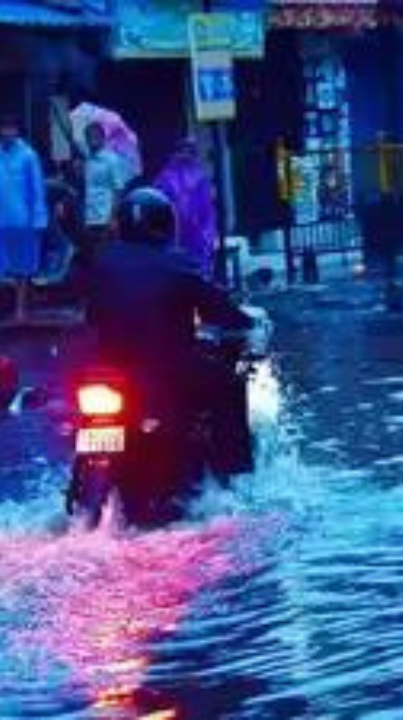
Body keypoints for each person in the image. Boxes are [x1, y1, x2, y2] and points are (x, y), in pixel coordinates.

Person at [86, 187, 253, 503]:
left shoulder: (103, 263)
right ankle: (234, 472)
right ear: (166, 224)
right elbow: (223, 312)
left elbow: (92, 316)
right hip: (168, 369)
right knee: (231, 384)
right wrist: (242, 325)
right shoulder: (179, 262)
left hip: (112, 374)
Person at [0, 114, 47, 323]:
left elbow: (37, 189)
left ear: (17, 131)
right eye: (4, 128)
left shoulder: (28, 155)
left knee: (22, 267)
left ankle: (20, 311)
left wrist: (39, 219)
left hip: (22, 220)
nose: (7, 133)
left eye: (11, 128)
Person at [155, 138, 218, 279]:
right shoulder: (166, 176)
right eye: (183, 150)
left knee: (198, 265)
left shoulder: (200, 176)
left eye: (190, 151)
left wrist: (208, 231)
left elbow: (207, 207)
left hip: (198, 231)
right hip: (175, 229)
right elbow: (159, 199)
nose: (186, 154)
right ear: (176, 152)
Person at [79, 121, 134, 263]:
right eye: (89, 137)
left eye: (95, 136)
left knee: (107, 259)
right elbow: (85, 189)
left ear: (103, 138)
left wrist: (113, 218)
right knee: (92, 259)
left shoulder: (112, 160)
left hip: (105, 218)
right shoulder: (87, 160)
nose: (92, 140)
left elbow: (119, 190)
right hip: (89, 217)